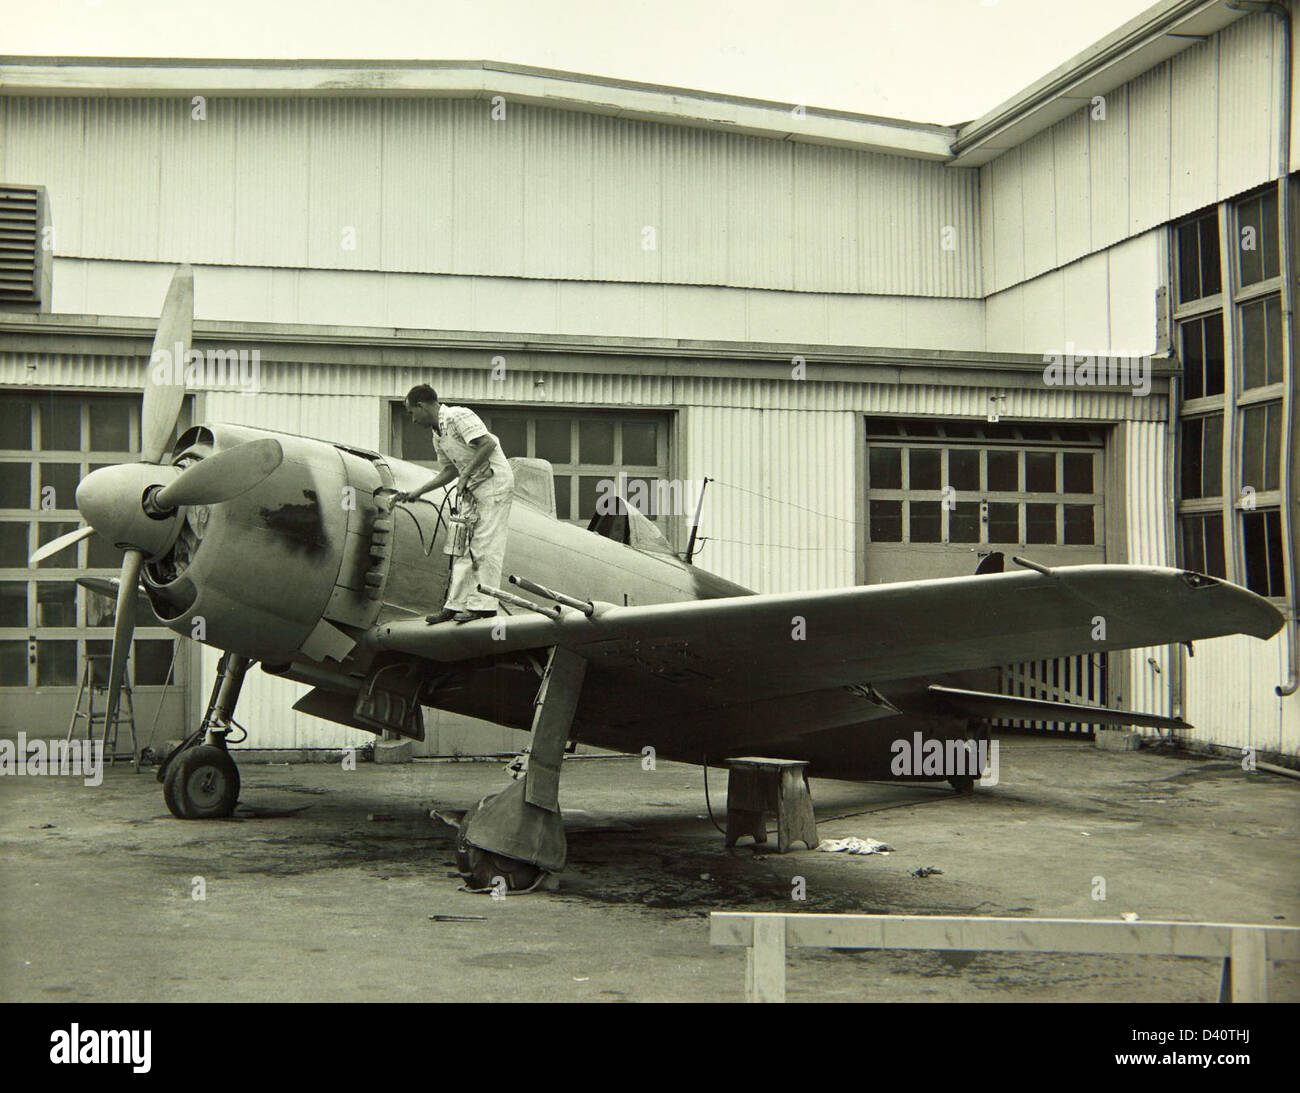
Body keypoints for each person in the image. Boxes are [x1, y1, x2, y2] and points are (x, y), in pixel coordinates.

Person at [392, 385, 515, 623]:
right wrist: (417, 492)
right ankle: (455, 604)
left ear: (422, 406)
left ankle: (484, 607)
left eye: (411, 412)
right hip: (473, 487)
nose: (412, 419)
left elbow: (487, 444)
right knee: (461, 546)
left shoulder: (458, 416)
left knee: (484, 544)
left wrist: (466, 474)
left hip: (494, 484)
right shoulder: (438, 434)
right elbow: (449, 470)